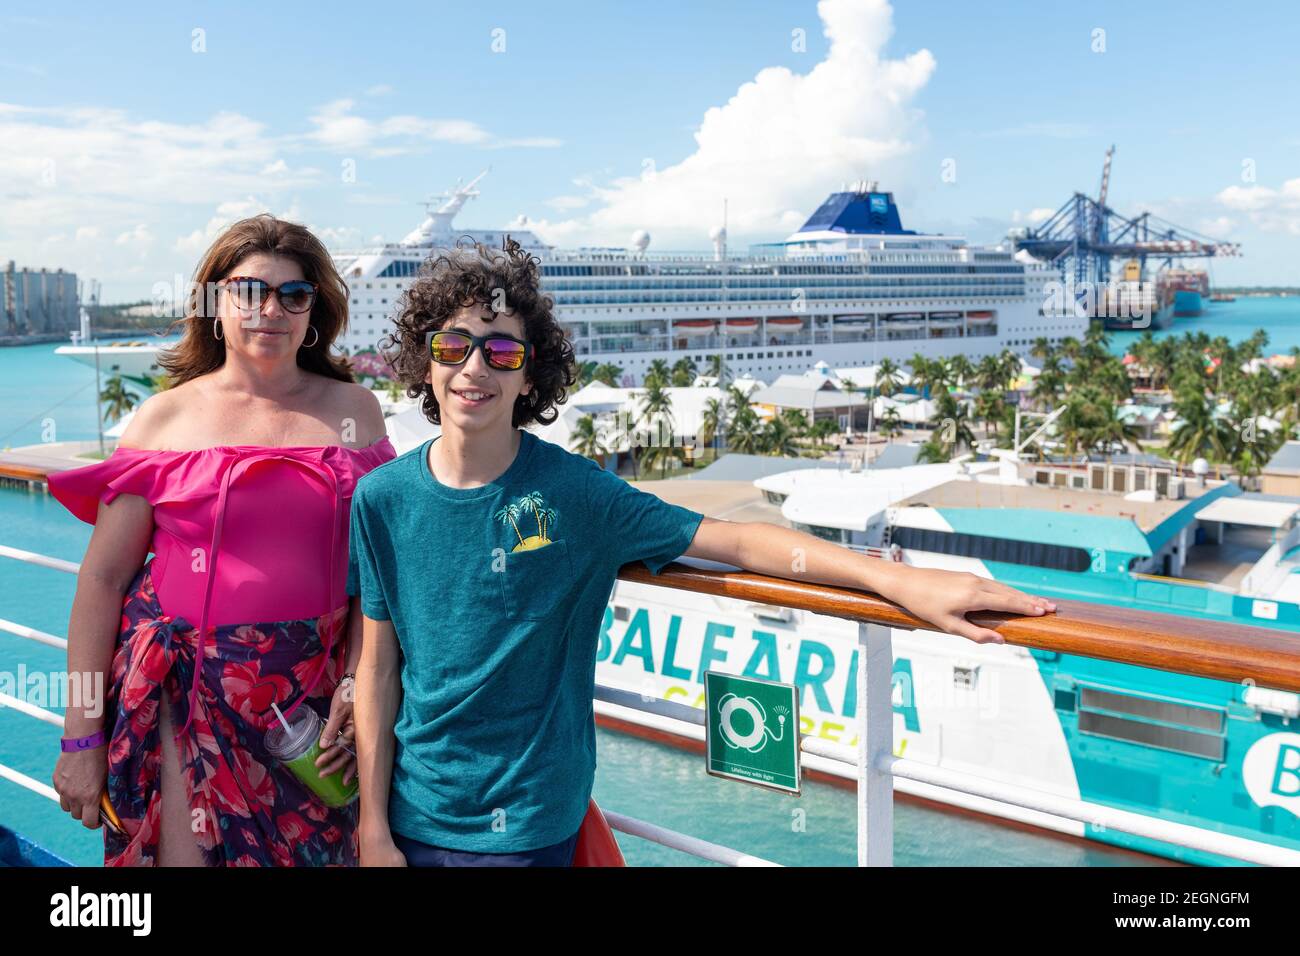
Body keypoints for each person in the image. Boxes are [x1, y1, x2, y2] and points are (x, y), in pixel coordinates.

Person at [347, 239, 1056, 867]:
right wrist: (374, 829)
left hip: (527, 826)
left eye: (501, 351)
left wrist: (899, 582)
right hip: (413, 818)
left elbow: (736, 539)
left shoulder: (576, 495)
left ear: (531, 378)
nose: (475, 368)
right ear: (425, 362)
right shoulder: (382, 499)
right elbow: (378, 668)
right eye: (453, 347)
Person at [48, 215, 394, 866]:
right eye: (249, 291)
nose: (272, 309)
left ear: (314, 310)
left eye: (294, 294)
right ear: (214, 301)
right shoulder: (164, 417)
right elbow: (101, 582)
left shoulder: (355, 411)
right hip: (184, 696)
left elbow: (375, 576)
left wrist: (354, 686)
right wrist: (79, 738)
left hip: (313, 708)